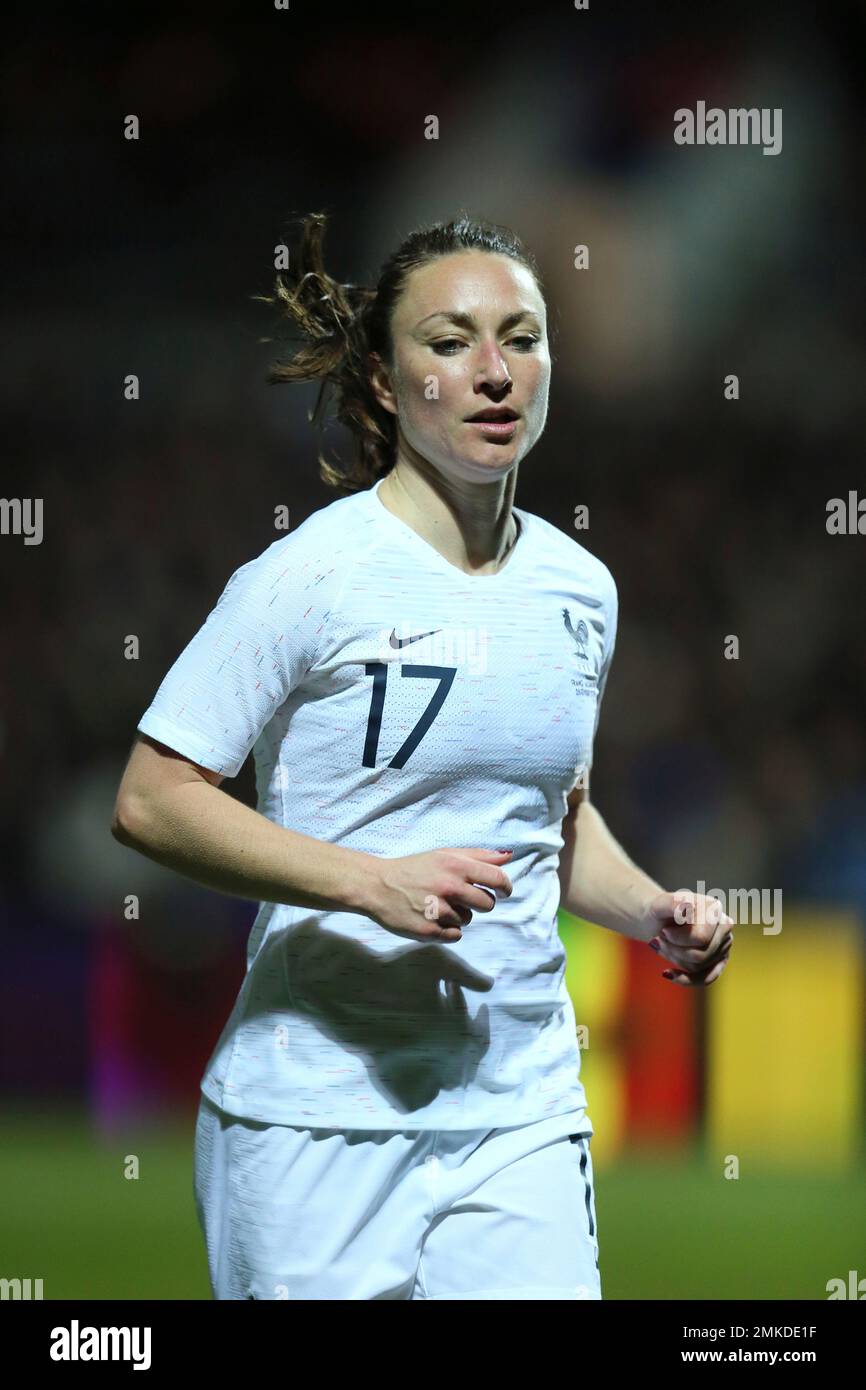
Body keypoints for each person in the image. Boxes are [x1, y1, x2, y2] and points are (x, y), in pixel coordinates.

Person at [111, 211, 734, 1300]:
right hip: (313, 1115)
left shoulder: (579, 590)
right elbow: (154, 799)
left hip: (518, 1106)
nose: (494, 371)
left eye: (521, 337)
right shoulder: (311, 576)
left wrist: (650, 911)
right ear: (388, 384)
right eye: (449, 342)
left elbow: (553, 819)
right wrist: (367, 880)